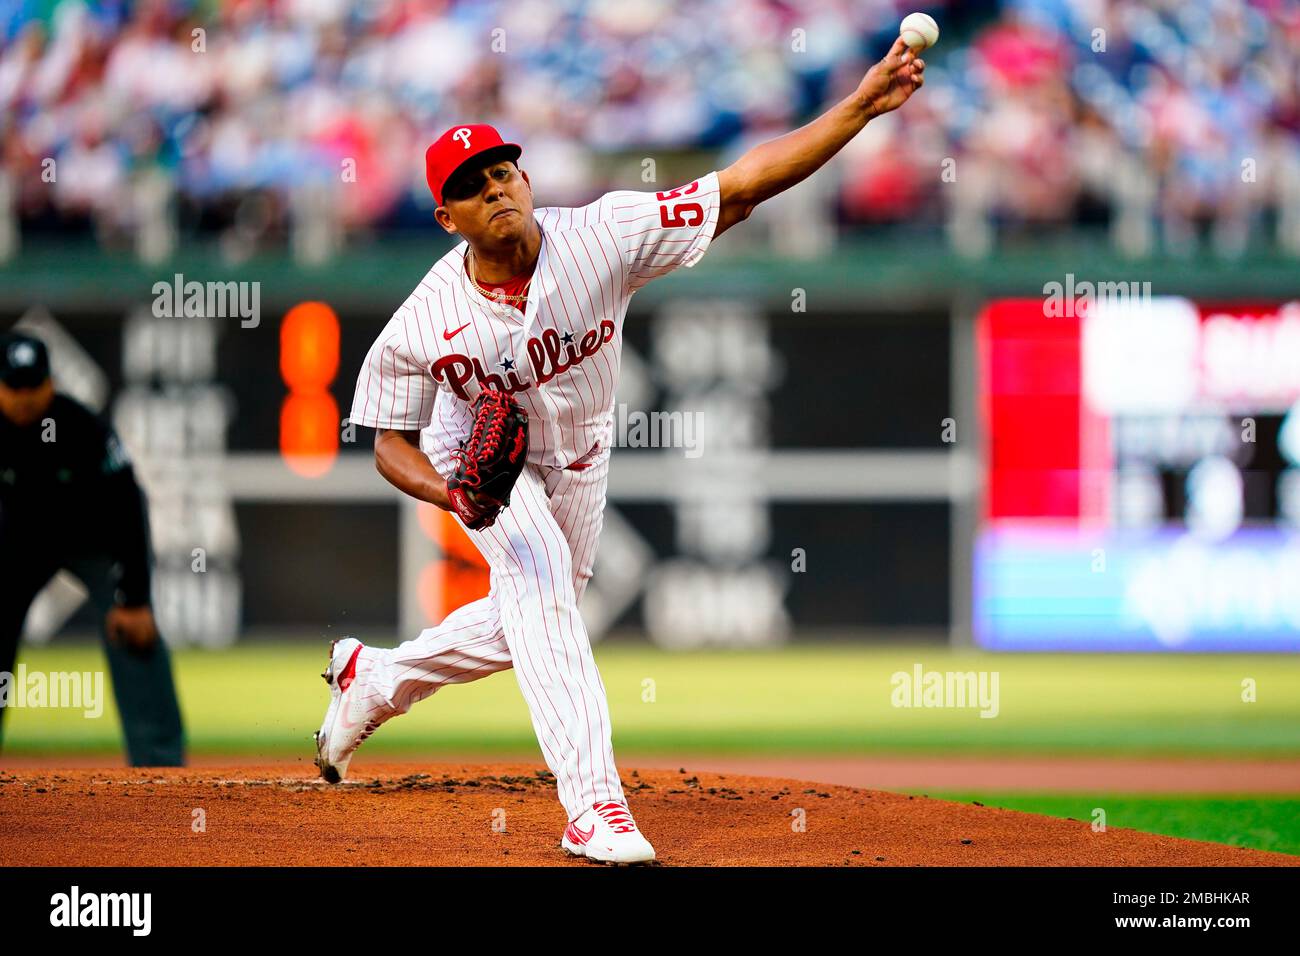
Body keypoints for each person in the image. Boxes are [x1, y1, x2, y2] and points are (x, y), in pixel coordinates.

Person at [316, 38, 926, 862]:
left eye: (501, 170)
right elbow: (386, 441)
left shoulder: (602, 234)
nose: (493, 187)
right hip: (480, 465)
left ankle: (374, 679)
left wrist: (858, 108)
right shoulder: (424, 319)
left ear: (525, 178)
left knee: (527, 620)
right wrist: (452, 494)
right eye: (469, 185)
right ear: (446, 217)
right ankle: (593, 808)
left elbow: (742, 188)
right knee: (537, 585)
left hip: (581, 454)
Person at [0, 331, 184, 765]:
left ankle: (159, 764)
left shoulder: (81, 427)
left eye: (34, 385)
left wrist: (134, 597)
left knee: (133, 631)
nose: (25, 398)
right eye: (14, 387)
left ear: (50, 383)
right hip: (18, 544)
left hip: (93, 540)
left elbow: (127, 506)